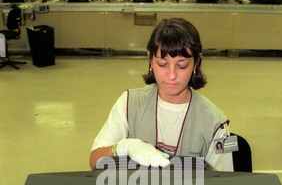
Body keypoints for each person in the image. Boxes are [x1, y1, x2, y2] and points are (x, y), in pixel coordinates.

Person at [89, 18, 233, 171]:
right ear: (150, 59)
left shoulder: (216, 123)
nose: (171, 75)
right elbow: (94, 161)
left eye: (182, 65)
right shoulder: (129, 103)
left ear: (196, 62)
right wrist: (125, 147)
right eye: (162, 64)